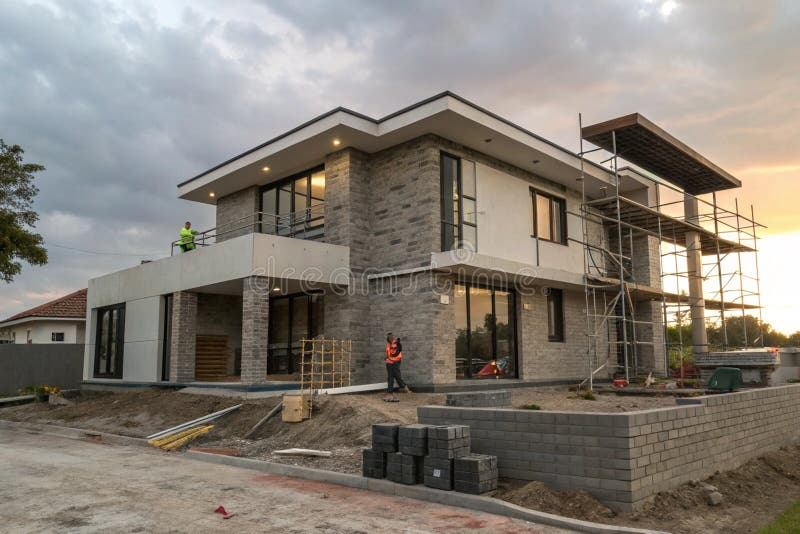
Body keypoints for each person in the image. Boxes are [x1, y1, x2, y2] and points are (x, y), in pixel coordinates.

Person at [383, 332, 411, 402]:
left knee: (396, 376)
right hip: (389, 363)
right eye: (387, 337)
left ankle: (404, 389)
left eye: (389, 337)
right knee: (391, 377)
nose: (388, 338)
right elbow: (389, 353)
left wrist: (390, 359)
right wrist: (387, 358)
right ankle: (391, 392)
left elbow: (396, 354)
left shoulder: (396, 344)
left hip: (395, 362)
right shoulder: (388, 344)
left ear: (392, 337)